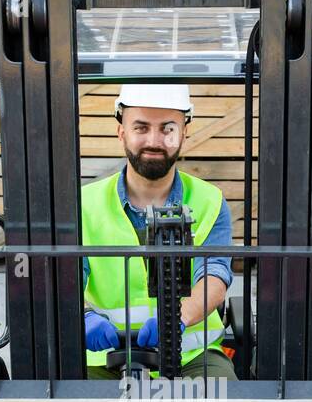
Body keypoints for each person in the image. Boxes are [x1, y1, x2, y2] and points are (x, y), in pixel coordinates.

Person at [80, 83, 236, 380]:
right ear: (121, 132)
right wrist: (81, 317)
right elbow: (65, 281)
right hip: (103, 359)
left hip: (192, 355)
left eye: (167, 129)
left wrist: (176, 318)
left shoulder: (209, 201)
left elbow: (214, 276)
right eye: (141, 128)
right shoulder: (82, 204)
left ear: (184, 133)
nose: (154, 140)